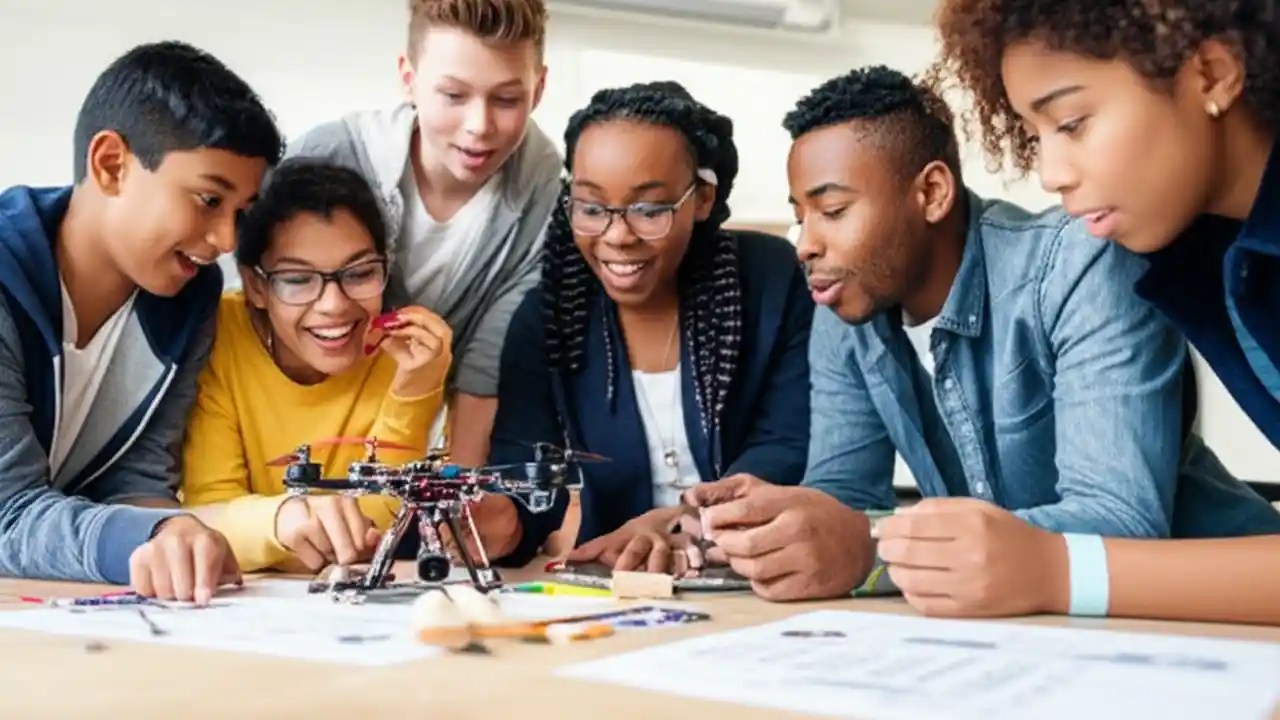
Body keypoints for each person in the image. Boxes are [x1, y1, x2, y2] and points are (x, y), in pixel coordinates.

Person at [682, 65, 1280, 609]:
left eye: (832, 211)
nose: (806, 243)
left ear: (933, 193)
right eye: (800, 215)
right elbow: (842, 499)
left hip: (1216, 617)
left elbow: (1119, 520)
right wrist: (778, 529)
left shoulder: (1079, 264)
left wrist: (870, 545)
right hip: (1034, 630)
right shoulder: (847, 309)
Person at [881, 0, 1280, 626]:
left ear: (1211, 74)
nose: (1049, 174)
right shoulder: (1198, 253)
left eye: (1071, 123)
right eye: (1033, 135)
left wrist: (1059, 571)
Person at [467, 81, 813, 571]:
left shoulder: (771, 283)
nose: (617, 236)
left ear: (703, 199)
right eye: (591, 207)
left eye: (649, 210)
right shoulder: (549, 315)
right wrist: (495, 519)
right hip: (621, 580)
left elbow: (788, 449)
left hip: (762, 573)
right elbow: (525, 475)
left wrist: (683, 519)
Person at [0, 41, 283, 602]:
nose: (227, 241)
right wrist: (150, 533)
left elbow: (136, 483)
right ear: (111, 165)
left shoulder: (188, 297)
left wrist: (182, 538)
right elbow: (6, 515)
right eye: (207, 199)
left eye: (240, 214)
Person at [278, 0, 561, 466]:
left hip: (416, 441)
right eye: (453, 95)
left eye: (507, 100)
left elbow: (490, 356)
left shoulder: (542, 190)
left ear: (539, 88)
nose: (479, 127)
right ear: (408, 78)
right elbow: (251, 315)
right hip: (296, 431)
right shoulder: (328, 155)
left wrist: (461, 494)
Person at [180, 159, 452, 574]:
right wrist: (284, 525)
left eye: (360, 273)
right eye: (296, 280)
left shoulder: (406, 351)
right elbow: (209, 510)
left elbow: (385, 516)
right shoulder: (217, 334)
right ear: (255, 286)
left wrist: (413, 390)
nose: (334, 305)